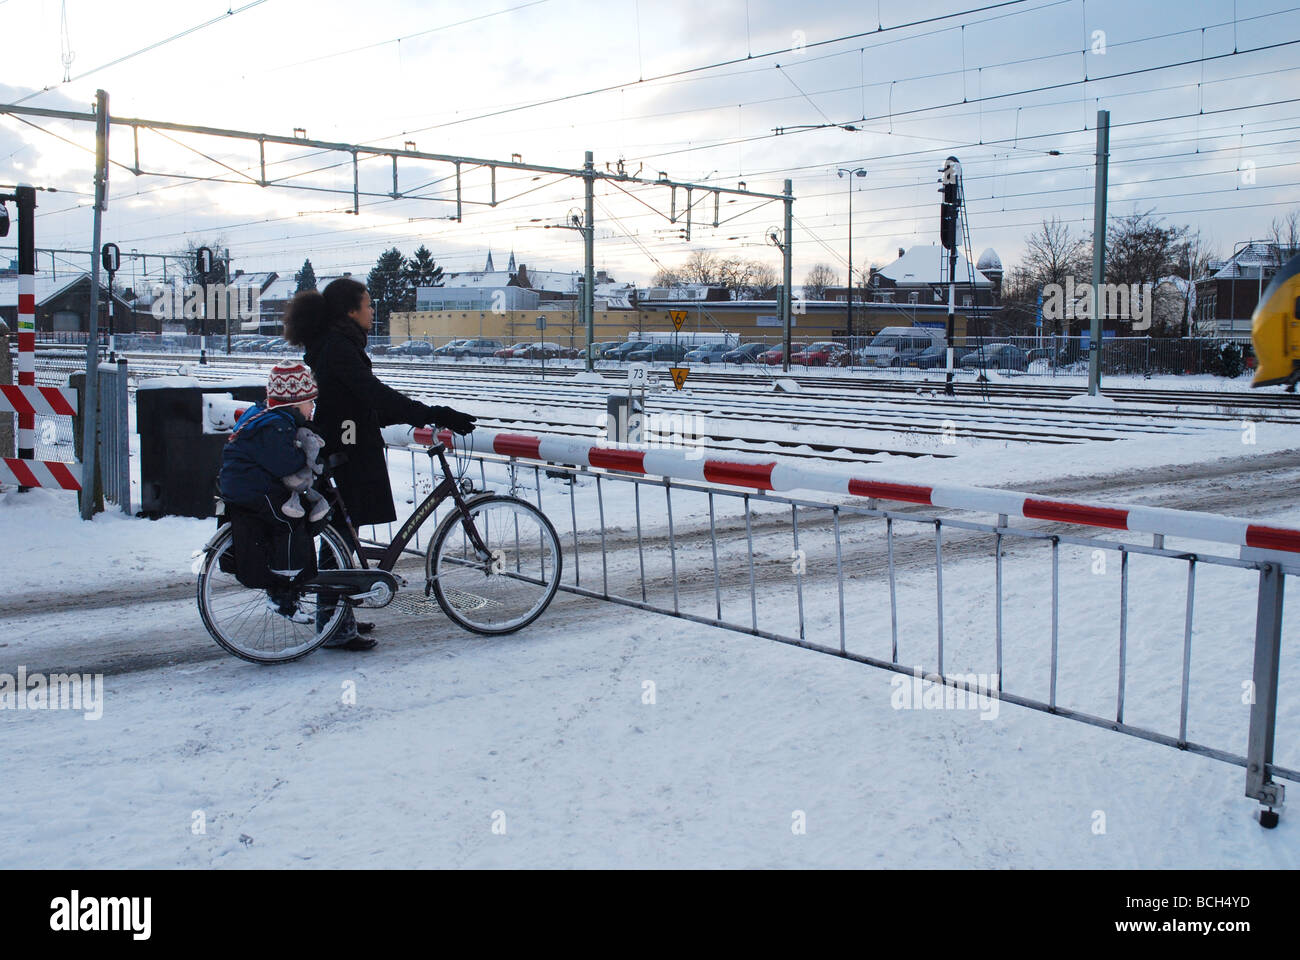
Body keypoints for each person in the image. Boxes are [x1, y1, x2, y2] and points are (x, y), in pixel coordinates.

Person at [283, 277, 476, 650]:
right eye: (368, 305)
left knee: (341, 535)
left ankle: (337, 619)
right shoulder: (340, 346)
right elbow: (372, 394)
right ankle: (335, 626)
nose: (373, 311)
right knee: (339, 535)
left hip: (345, 442)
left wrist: (407, 415)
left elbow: (359, 403)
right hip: (346, 451)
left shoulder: (335, 343)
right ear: (351, 311)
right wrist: (433, 411)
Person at [217, 360, 327, 623]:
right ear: (294, 403)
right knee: (288, 521)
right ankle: (282, 592)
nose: (312, 408)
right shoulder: (274, 426)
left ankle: (288, 585)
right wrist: (307, 452)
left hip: (242, 486)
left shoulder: (265, 417)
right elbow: (285, 463)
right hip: (253, 490)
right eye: (309, 402)